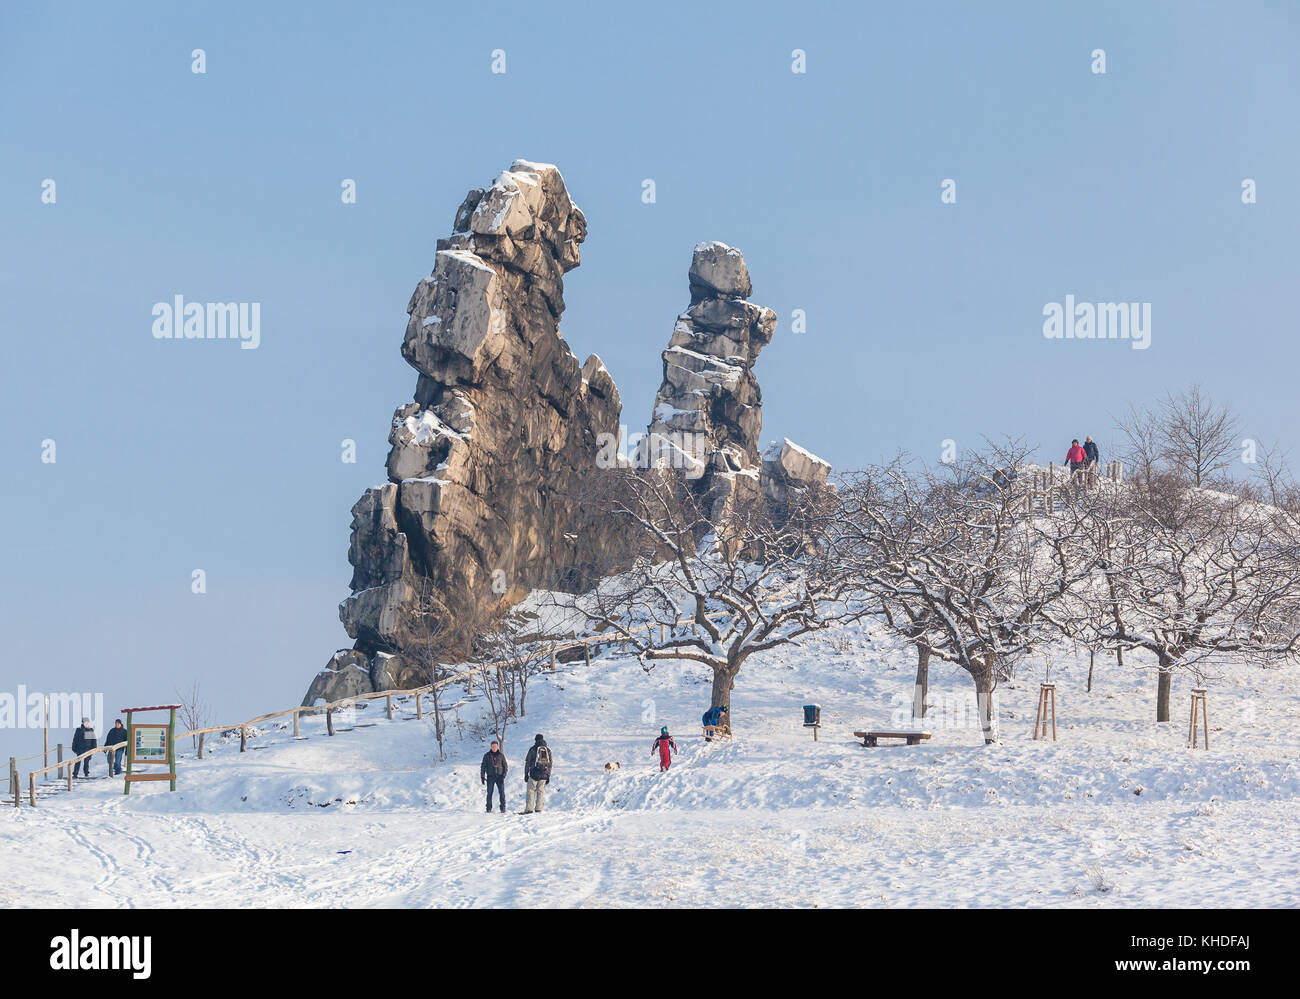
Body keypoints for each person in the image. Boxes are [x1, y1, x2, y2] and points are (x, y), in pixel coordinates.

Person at [523, 733, 552, 814]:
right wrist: (548, 775)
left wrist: (526, 774)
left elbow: (527, 763)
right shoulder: (548, 750)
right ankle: (539, 809)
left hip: (534, 774)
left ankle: (529, 809)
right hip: (544, 774)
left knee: (530, 791)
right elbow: (550, 764)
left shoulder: (533, 749)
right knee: (540, 792)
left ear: (535, 740)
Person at [480, 739, 508, 813]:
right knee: (489, 793)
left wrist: (503, 775)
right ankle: (488, 808)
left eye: (495, 746)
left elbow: (505, 766)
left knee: (502, 793)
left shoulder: (501, 755)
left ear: (497, 747)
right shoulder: (487, 755)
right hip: (490, 777)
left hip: (499, 777)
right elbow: (483, 766)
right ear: (491, 747)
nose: (494, 748)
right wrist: (482, 776)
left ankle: (503, 808)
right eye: (492, 746)